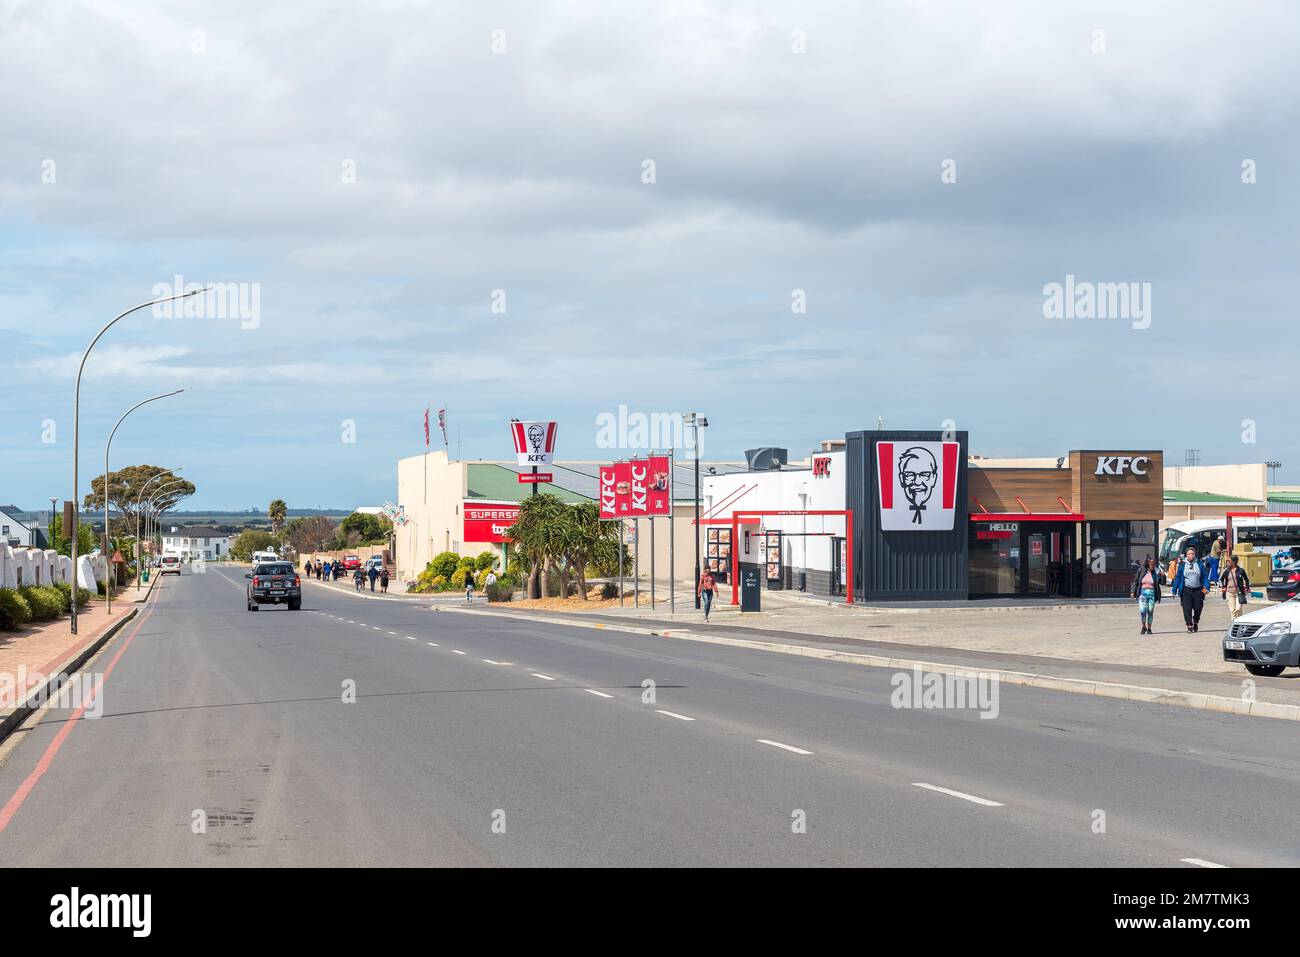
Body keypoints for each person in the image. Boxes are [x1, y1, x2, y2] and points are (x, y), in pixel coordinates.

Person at [1171, 546, 1210, 633]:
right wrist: (1174, 590)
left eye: (1192, 553)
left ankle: (1195, 621)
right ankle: (1189, 625)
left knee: (1198, 607)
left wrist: (1206, 587)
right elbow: (1178, 578)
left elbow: (1205, 577)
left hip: (1198, 590)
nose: (1191, 555)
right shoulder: (1182, 565)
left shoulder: (1199, 564)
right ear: (1186, 555)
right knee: (1186, 608)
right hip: (1186, 590)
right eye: (1189, 554)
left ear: (1195, 554)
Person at [1130, 557, 1161, 635]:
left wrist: (1162, 576)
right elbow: (1136, 581)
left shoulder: (1155, 572)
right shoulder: (1141, 571)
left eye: (1153, 564)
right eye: (1151, 564)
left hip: (1152, 594)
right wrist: (1133, 591)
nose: (1153, 565)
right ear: (1147, 564)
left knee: (1150, 611)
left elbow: (1162, 582)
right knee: (1143, 611)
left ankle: (1149, 628)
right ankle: (1143, 626)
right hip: (1142, 594)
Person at [1219, 555, 1251, 620]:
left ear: (1234, 562)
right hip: (1230, 593)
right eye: (1227, 561)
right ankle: (1234, 624)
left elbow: (1246, 579)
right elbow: (1221, 579)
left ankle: (1240, 621)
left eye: (1229, 561)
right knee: (1233, 610)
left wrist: (1247, 588)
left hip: (1239, 592)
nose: (1227, 563)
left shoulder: (1241, 570)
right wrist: (1223, 587)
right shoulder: (1226, 571)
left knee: (1238, 609)